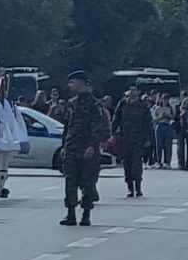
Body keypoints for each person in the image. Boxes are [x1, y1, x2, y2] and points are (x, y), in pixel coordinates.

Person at [59, 70, 107, 227]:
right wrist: (64, 146)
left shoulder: (95, 104)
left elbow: (99, 127)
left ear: (82, 83)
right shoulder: (72, 103)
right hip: (72, 148)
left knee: (88, 182)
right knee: (70, 181)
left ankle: (86, 214)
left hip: (87, 148)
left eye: (73, 82)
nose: (70, 85)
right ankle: (71, 214)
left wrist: (93, 145)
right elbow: (68, 127)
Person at [114, 84, 154, 199]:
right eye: (130, 90)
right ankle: (130, 188)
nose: (132, 92)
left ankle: (138, 187)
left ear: (138, 92)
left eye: (134, 90)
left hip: (138, 139)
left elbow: (148, 123)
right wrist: (113, 134)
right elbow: (116, 119)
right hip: (124, 139)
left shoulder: (143, 106)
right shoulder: (122, 104)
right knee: (127, 165)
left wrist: (148, 139)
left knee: (136, 164)